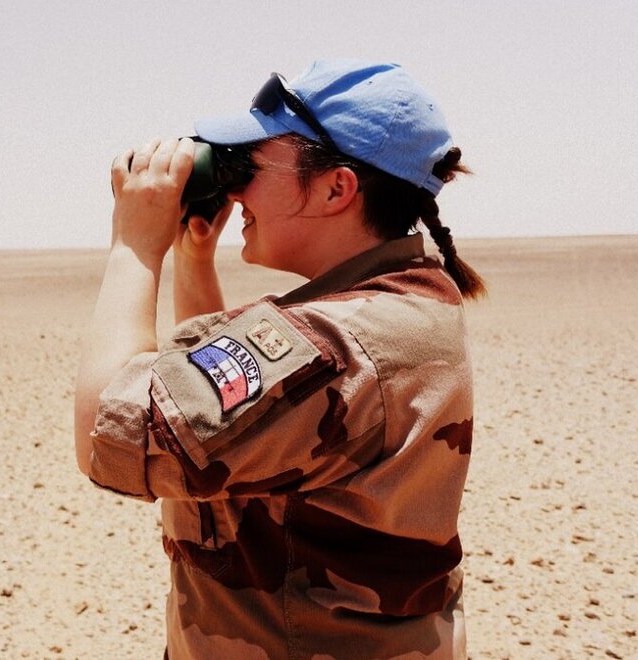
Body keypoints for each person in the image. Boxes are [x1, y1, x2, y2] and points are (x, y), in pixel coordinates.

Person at [74, 59, 484, 660]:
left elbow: (108, 435)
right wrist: (194, 258)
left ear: (336, 188)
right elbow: (221, 416)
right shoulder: (403, 300)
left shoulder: (339, 342)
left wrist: (134, 246)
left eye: (254, 166)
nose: (236, 189)